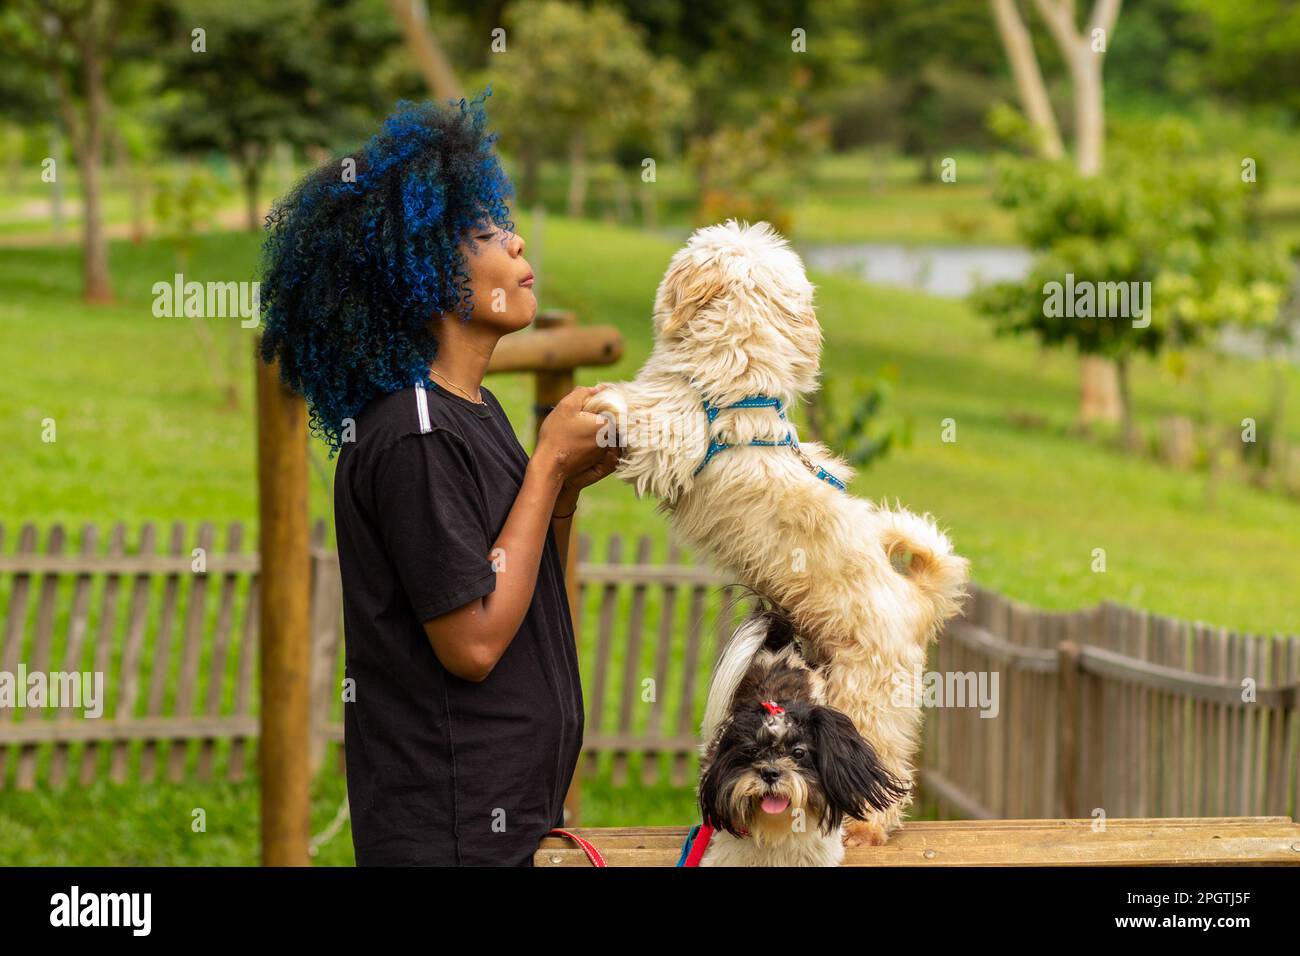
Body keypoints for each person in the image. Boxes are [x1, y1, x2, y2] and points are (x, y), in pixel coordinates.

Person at [258, 92, 620, 865]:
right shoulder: (413, 435)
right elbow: (476, 642)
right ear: (424, 274)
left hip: (504, 821)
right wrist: (549, 461)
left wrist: (559, 496)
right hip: (450, 833)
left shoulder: (472, 410)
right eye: (487, 234)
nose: (517, 243)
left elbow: (513, 589)